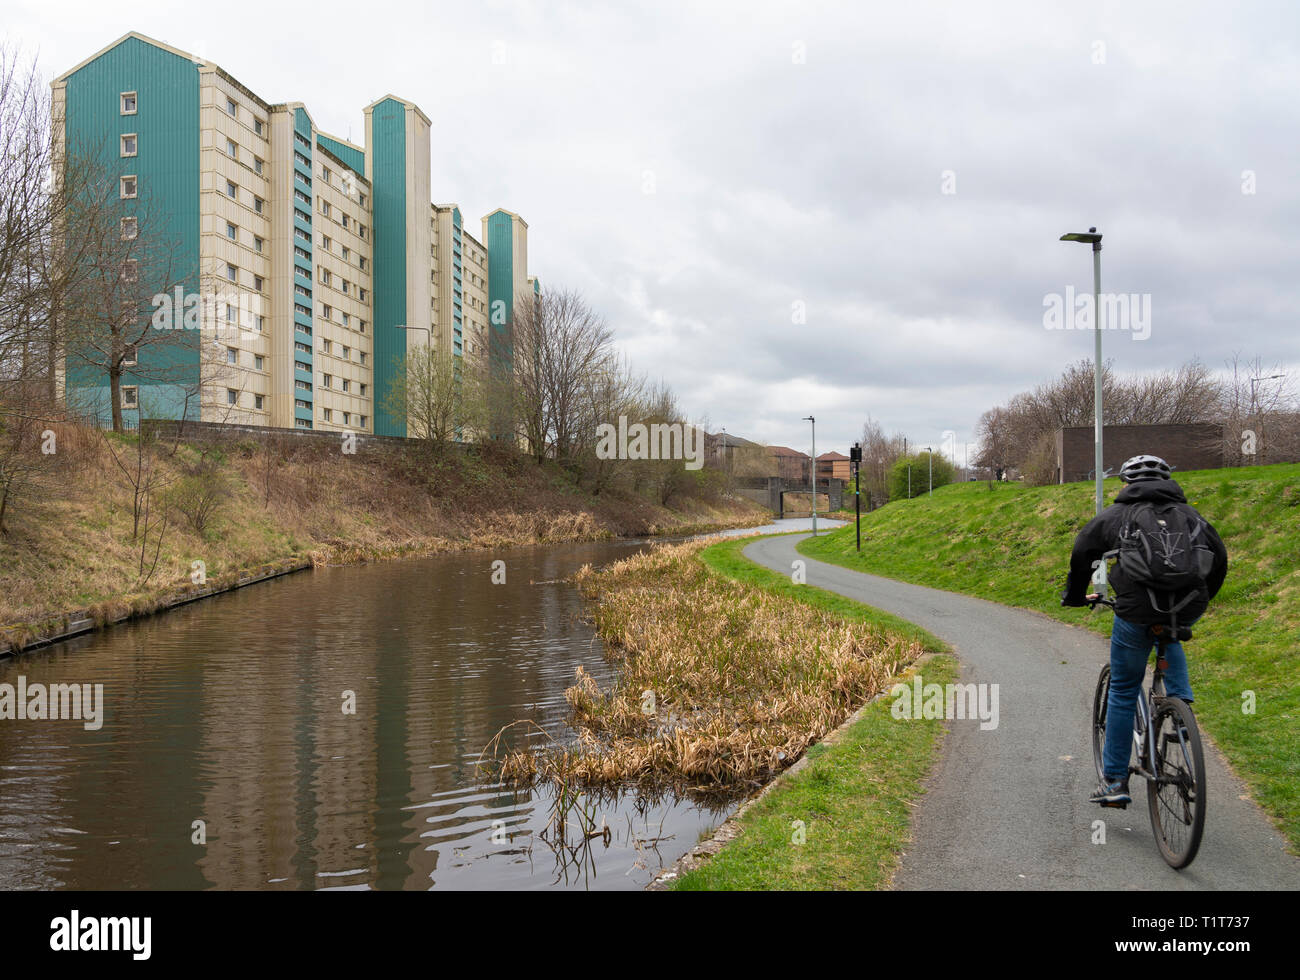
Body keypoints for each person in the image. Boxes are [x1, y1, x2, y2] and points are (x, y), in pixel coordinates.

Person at [1060, 454, 1228, 806]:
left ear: (1126, 483)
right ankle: (1182, 710)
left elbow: (1082, 554)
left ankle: (1115, 782)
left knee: (1122, 689)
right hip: (1187, 605)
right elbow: (1219, 559)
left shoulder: (1115, 516)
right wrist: (1201, 599)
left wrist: (1075, 597)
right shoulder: (1191, 515)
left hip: (1137, 609)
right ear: (1167, 481)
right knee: (1169, 633)